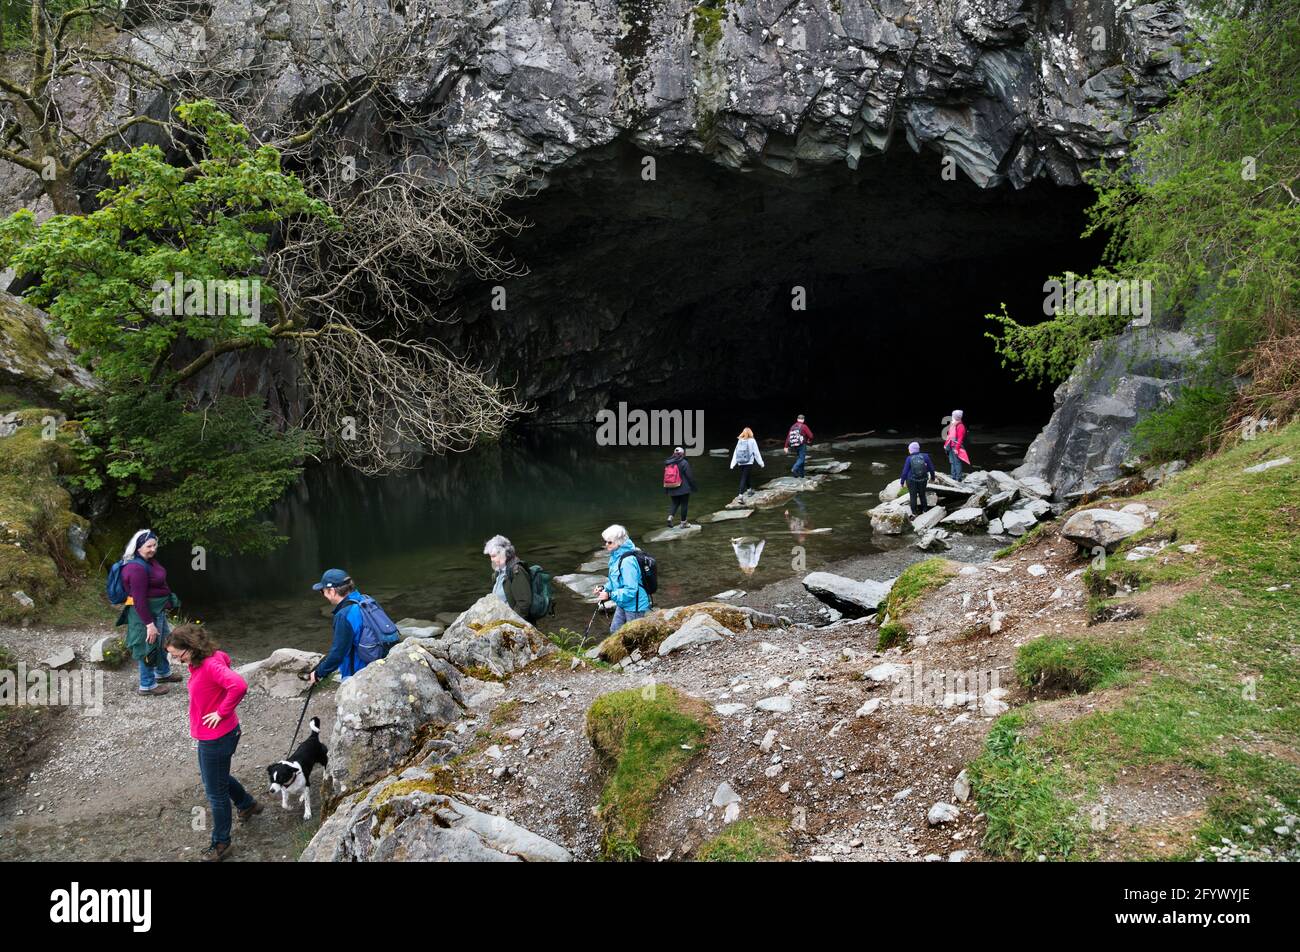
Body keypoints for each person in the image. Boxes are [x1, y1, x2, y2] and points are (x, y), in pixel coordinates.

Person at [166, 624, 261, 862]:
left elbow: (238, 685)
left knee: (215, 793)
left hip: (217, 737)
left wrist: (221, 711)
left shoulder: (209, 665)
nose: (176, 661)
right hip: (218, 735)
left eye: (178, 655)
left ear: (191, 648)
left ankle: (222, 843)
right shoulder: (208, 659)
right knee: (217, 778)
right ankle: (247, 804)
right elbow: (224, 666)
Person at [116, 529, 181, 696]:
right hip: (145, 615)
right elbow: (138, 599)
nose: (152, 549)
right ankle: (147, 685)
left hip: (157, 612)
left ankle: (163, 673)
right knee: (148, 647)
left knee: (164, 641)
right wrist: (149, 625)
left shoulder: (148, 561)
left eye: (154, 545)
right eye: (148, 546)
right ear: (138, 547)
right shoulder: (136, 569)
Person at [307, 569, 370, 685]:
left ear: (331, 591)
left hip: (357, 675)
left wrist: (318, 673)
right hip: (374, 665)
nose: (323, 595)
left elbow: (338, 653)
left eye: (322, 591)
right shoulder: (365, 599)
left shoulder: (344, 615)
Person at [594, 524, 650, 633]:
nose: (606, 545)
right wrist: (604, 588)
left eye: (609, 542)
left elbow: (631, 590)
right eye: (606, 542)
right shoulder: (616, 556)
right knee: (615, 631)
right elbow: (616, 579)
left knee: (632, 636)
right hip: (623, 602)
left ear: (618, 542)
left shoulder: (627, 562)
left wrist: (610, 595)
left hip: (635, 606)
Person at [484, 534, 533, 619]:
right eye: (490, 556)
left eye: (494, 556)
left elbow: (524, 604)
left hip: (513, 624)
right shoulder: (498, 572)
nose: (491, 560)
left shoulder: (516, 571)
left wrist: (511, 622)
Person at [662, 446, 698, 528]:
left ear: (674, 454)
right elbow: (689, 476)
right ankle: (683, 523)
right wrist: (693, 486)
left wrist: (666, 489)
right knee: (684, 504)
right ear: (682, 454)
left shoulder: (668, 463)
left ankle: (670, 517)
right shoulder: (684, 462)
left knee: (675, 503)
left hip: (671, 487)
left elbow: (665, 477)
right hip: (683, 488)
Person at [900, 441, 937, 516]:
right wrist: (932, 477)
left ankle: (914, 513)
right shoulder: (926, 456)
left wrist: (902, 481)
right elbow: (932, 469)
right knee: (922, 495)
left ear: (911, 450)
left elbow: (905, 472)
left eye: (909, 449)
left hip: (911, 480)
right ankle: (925, 510)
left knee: (913, 496)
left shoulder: (909, 458)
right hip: (923, 479)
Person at [730, 427, 765, 499]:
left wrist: (733, 464)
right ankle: (740, 495)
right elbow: (756, 453)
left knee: (746, 476)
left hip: (740, 462)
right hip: (748, 462)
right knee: (744, 477)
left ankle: (749, 490)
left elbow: (735, 453)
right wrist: (761, 463)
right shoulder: (752, 441)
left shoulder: (740, 440)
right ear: (750, 433)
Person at [943, 409, 970, 481]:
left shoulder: (960, 426)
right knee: (952, 462)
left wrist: (956, 449)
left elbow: (960, 439)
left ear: (956, 417)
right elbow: (949, 436)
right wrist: (946, 445)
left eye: (952, 415)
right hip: (951, 446)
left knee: (957, 462)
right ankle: (953, 477)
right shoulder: (953, 424)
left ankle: (958, 478)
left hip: (956, 447)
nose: (951, 417)